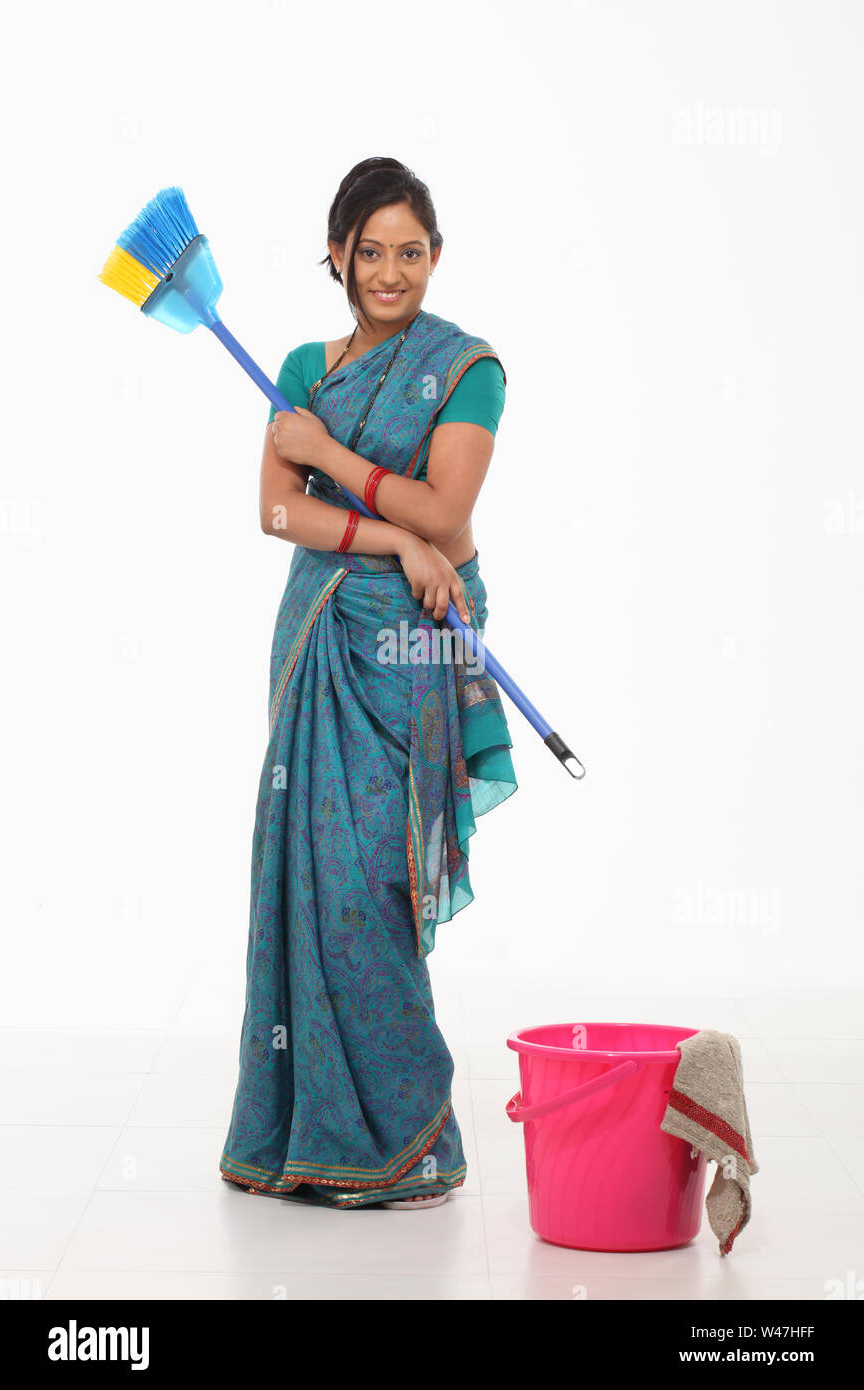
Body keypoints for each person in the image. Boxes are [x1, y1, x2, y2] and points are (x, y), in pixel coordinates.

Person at [219, 156, 517, 1210]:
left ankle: (406, 1142)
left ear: (434, 256)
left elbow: (447, 511)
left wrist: (322, 456)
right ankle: (303, 1139)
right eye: (369, 249)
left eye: (410, 251)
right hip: (313, 640)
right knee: (299, 878)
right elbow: (272, 515)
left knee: (371, 881)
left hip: (412, 647)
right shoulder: (305, 362)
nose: (389, 272)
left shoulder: (465, 367)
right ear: (336, 253)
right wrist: (396, 534)